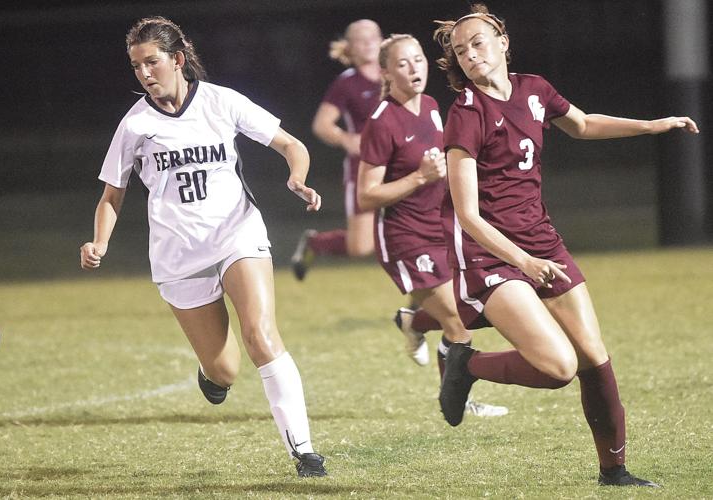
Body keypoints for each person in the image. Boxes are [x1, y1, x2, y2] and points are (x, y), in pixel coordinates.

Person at [434, 3, 699, 487]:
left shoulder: (534, 89)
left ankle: (613, 472)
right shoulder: (466, 113)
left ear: (502, 43)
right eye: (461, 51)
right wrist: (524, 262)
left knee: (593, 357)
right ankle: (466, 364)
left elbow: (583, 124)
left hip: (541, 241)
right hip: (490, 253)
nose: (470, 54)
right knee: (558, 367)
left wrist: (651, 126)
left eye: (477, 43)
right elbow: (467, 215)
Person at [79, 16, 327, 478]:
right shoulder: (135, 125)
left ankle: (305, 452)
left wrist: (297, 177)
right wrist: (99, 242)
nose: (144, 73)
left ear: (177, 59)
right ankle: (211, 373)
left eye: (152, 62)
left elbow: (291, 144)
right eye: (136, 66)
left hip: (237, 234)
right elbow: (112, 194)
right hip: (178, 256)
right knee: (224, 371)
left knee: (261, 335)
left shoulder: (220, 101)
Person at [357, 33, 507, 418]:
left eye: (419, 59)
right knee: (457, 322)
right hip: (405, 238)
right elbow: (366, 196)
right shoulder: (381, 122)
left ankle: (412, 322)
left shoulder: (431, 106)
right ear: (386, 73)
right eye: (403, 63)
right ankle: (457, 403)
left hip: (442, 228)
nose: (415, 68)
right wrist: (419, 177)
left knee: (466, 309)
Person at [291, 20, 383, 280]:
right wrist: (346, 139)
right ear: (349, 47)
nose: (368, 43)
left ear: (382, 41)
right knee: (361, 247)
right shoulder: (347, 83)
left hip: (400, 164)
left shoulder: (396, 74)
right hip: (364, 167)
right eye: (361, 39)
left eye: (373, 37)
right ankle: (315, 243)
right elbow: (322, 125)